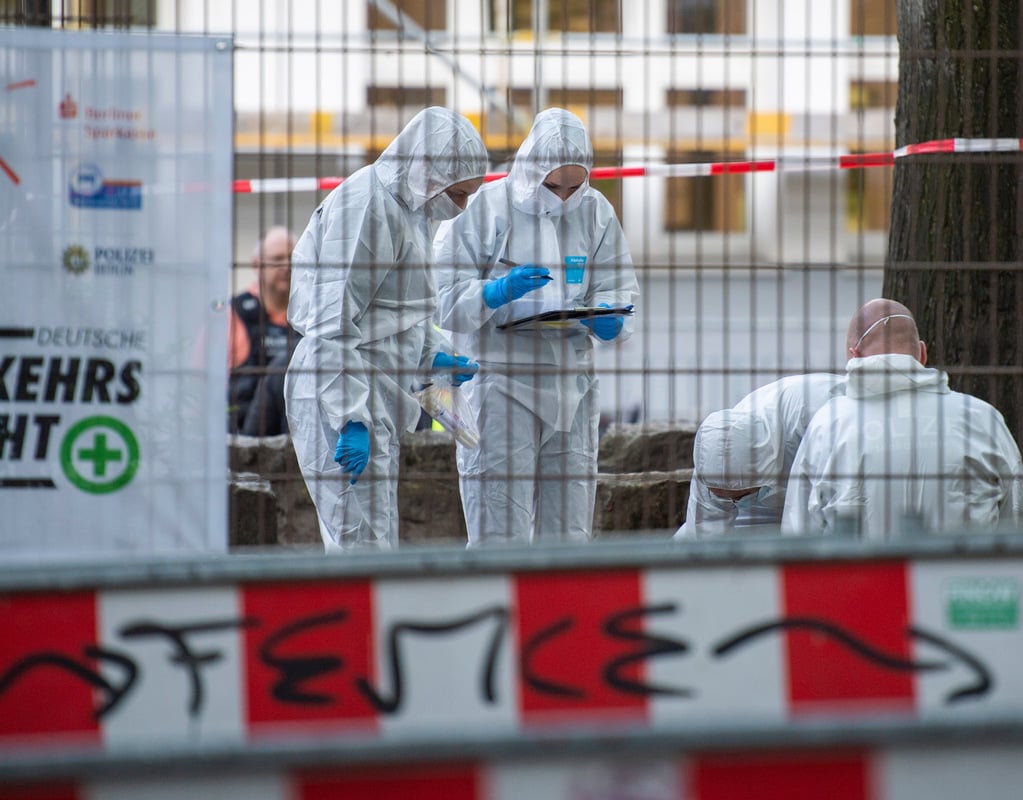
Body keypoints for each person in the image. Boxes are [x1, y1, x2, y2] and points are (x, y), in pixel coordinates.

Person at [432, 107, 640, 545]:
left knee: (569, 529)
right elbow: (442, 296)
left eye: (573, 186)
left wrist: (607, 315)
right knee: (498, 527)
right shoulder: (484, 208)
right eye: (552, 185)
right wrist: (493, 293)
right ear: (529, 168)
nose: (563, 198)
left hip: (572, 386)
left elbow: (619, 285)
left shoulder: (596, 212)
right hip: (499, 385)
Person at [284, 107, 488, 552]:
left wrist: (431, 352)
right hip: (339, 391)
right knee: (362, 547)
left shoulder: (413, 212)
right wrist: (349, 418)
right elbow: (330, 324)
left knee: (371, 543)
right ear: (429, 170)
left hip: (374, 391)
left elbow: (395, 311)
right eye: (458, 193)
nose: (462, 206)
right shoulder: (366, 206)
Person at [782, 298, 1023, 539]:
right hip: (961, 586)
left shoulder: (827, 424)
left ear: (854, 355)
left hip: (860, 585)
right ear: (922, 353)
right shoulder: (982, 419)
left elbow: (798, 535)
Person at [674, 373, 843, 539]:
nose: (734, 503)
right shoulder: (712, 454)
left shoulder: (815, 420)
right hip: (770, 498)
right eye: (721, 496)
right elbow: (703, 532)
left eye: (740, 496)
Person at [227, 225, 297, 434]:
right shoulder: (233, 315)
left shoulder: (316, 314)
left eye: (293, 258)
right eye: (277, 259)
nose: (287, 266)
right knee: (284, 365)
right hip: (248, 436)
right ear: (257, 265)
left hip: (303, 430)